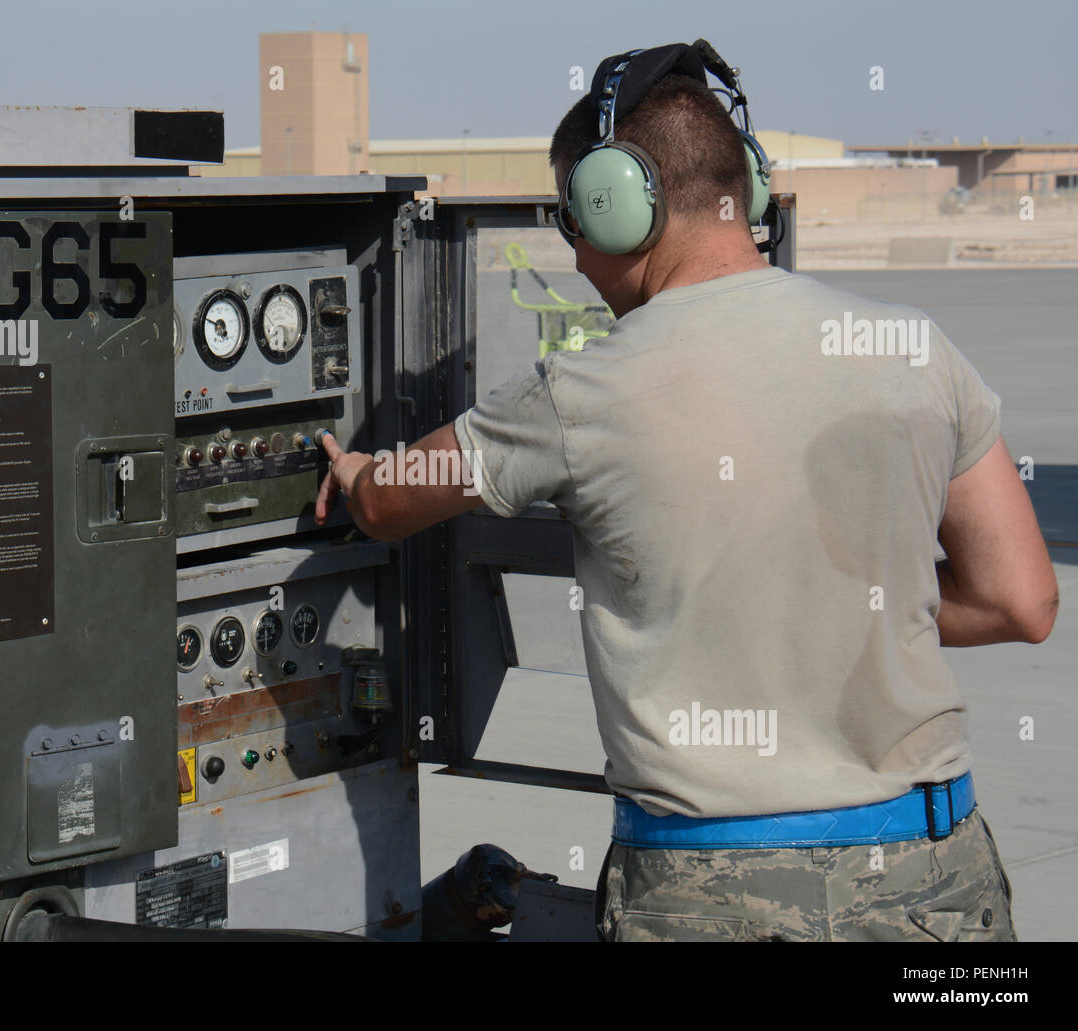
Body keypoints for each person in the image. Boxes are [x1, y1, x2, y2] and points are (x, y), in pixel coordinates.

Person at [313, 51, 1058, 942]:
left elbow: (396, 501)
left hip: (708, 890)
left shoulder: (582, 391)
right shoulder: (914, 347)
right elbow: (1022, 599)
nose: (577, 255)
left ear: (618, 206)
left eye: (571, 219)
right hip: (935, 876)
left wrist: (359, 477)